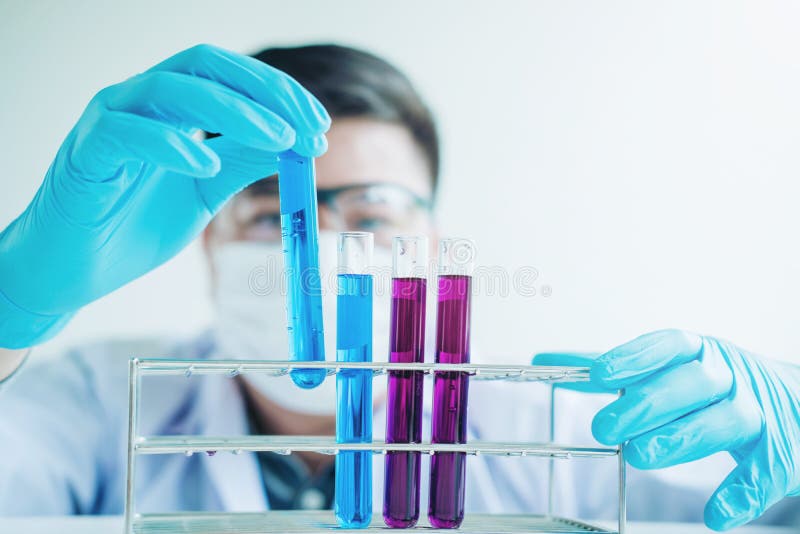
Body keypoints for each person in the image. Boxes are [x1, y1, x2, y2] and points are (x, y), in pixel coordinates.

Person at [0, 43, 797, 531]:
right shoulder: (100, 402)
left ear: (434, 241)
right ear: (201, 240)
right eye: (273, 213)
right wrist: (9, 308)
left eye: (375, 213)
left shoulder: (538, 425)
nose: (323, 246)